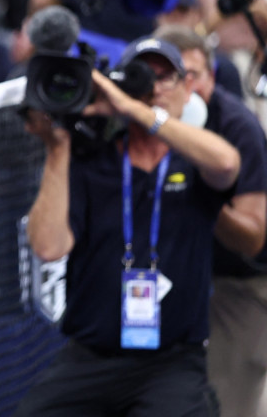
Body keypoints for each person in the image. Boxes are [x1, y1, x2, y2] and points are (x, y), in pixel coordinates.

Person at [18, 36, 241, 416]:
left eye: (164, 77)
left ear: (188, 89)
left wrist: (138, 111)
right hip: (90, 357)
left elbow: (226, 163)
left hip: (172, 363)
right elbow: (47, 246)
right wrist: (57, 147)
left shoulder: (194, 161)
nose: (152, 87)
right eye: (140, 76)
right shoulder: (93, 162)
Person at [155, 25, 267, 417]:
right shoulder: (143, 122)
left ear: (212, 77)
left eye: (193, 76)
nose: (183, 88)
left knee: (226, 399)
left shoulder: (239, 128)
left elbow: (253, 240)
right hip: (173, 279)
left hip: (242, 285)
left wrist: (206, 191)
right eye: (170, 76)